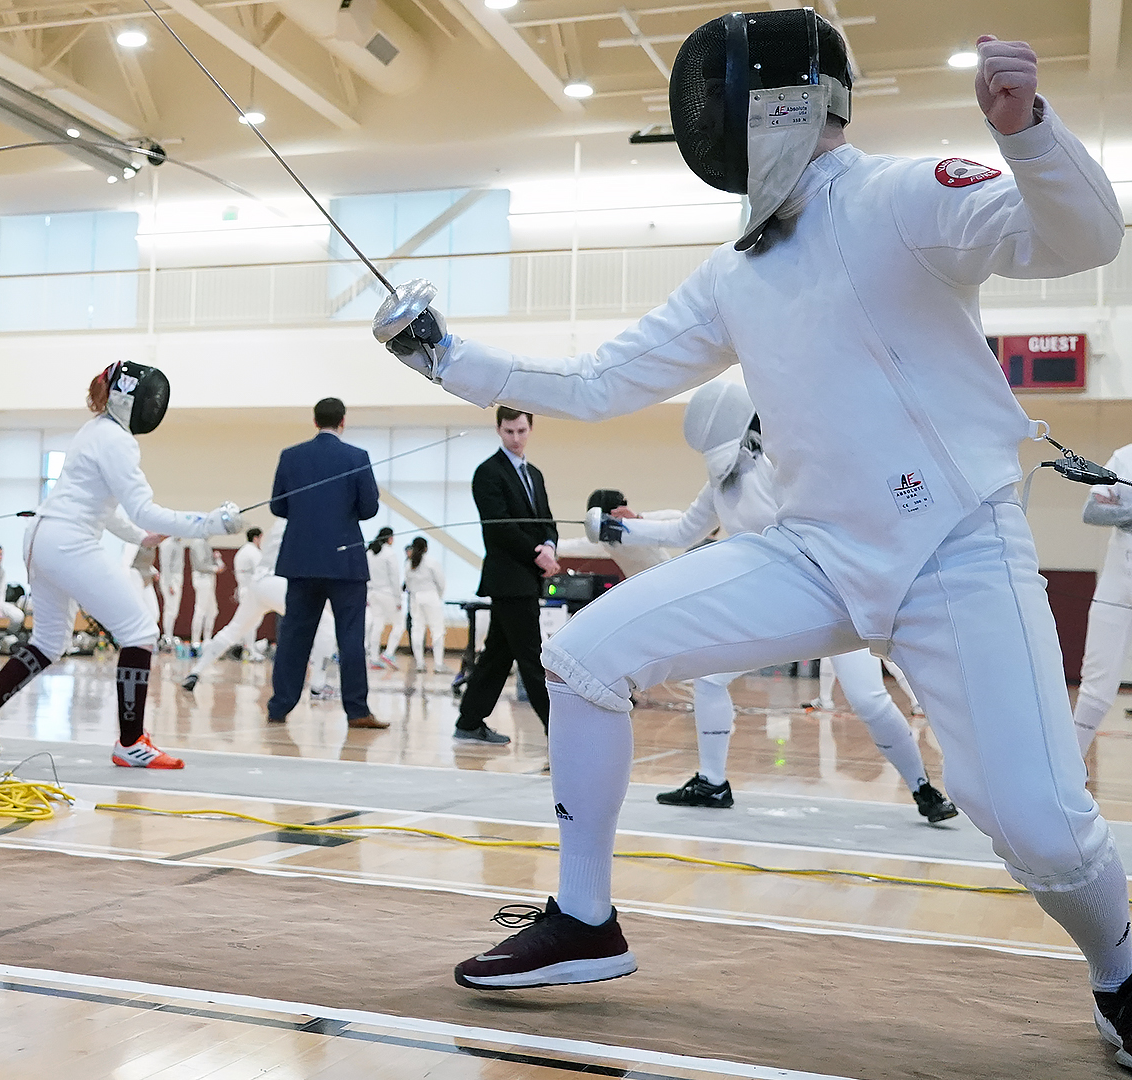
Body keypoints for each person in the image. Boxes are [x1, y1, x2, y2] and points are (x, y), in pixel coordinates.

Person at [382, 20, 1132, 1051]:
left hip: (954, 547)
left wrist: (1032, 134)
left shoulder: (900, 195)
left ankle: (1122, 969)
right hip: (816, 551)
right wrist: (440, 354)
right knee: (587, 654)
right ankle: (585, 919)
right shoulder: (740, 271)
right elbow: (599, 382)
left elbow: (1083, 240)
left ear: (777, 104)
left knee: (1041, 829)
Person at [591, 382, 956, 822]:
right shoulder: (721, 483)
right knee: (709, 680)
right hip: (771, 605)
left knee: (869, 699)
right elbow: (683, 532)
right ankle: (712, 782)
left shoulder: (782, 468)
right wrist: (620, 532)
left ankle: (924, 790)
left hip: (832, 597)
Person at [0, 362, 242, 768]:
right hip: (69, 541)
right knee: (141, 630)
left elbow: (106, 507)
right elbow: (144, 509)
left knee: (49, 642)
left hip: (41, 538)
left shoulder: (94, 430)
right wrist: (209, 523)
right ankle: (131, 743)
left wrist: (139, 538)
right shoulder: (116, 440)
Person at [266, 398, 385, 730]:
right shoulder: (357, 457)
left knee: (293, 638)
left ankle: (279, 707)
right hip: (345, 561)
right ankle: (358, 710)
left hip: (300, 560)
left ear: (315, 421)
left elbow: (278, 506)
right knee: (350, 638)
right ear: (342, 421)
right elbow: (369, 508)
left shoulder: (291, 456)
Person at [453, 408, 556, 744]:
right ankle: (558, 731)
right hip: (509, 578)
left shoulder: (535, 473)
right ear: (498, 429)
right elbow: (499, 529)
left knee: (498, 654)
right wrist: (535, 553)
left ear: (531, 428)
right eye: (509, 431)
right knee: (531, 655)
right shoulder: (488, 473)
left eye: (521, 431)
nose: (516, 438)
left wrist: (550, 546)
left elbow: (546, 520)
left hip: (528, 575)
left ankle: (469, 721)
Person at [181, 520, 336, 692]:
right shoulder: (305, 520)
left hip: (257, 586)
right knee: (326, 626)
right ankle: (318, 686)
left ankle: (195, 672)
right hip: (277, 583)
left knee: (234, 630)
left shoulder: (281, 522)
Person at [1075, 442, 1132, 755]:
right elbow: (1092, 510)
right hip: (1117, 585)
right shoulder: (1124, 458)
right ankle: (1070, 764)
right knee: (1097, 679)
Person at [404, 538, 451, 678]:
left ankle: (419, 663)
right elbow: (441, 582)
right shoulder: (431, 562)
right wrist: (439, 596)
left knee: (417, 629)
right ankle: (438, 664)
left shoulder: (409, 563)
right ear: (426, 548)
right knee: (437, 630)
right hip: (431, 596)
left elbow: (407, 584)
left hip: (415, 598)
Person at [363, 527, 403, 668]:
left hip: (372, 592)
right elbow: (394, 577)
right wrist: (398, 600)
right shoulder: (389, 553)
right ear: (390, 538)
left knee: (377, 624)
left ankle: (374, 658)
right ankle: (389, 653)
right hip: (387, 593)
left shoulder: (369, 552)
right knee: (399, 623)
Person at [188, 540, 223, 645]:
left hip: (208, 579)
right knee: (200, 610)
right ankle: (195, 641)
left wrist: (216, 558)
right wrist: (215, 568)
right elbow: (200, 566)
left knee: (212, 610)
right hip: (202, 580)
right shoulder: (197, 543)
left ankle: (207, 640)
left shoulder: (204, 543)